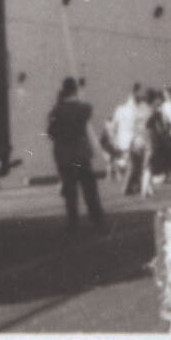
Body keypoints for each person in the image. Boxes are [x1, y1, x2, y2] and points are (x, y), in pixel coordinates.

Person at [46, 77, 105, 232]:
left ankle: (73, 221)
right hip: (81, 152)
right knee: (89, 188)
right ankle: (97, 217)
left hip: (65, 154)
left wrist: (59, 102)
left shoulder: (57, 110)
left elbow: (51, 132)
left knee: (70, 190)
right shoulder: (83, 108)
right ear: (74, 90)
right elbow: (87, 109)